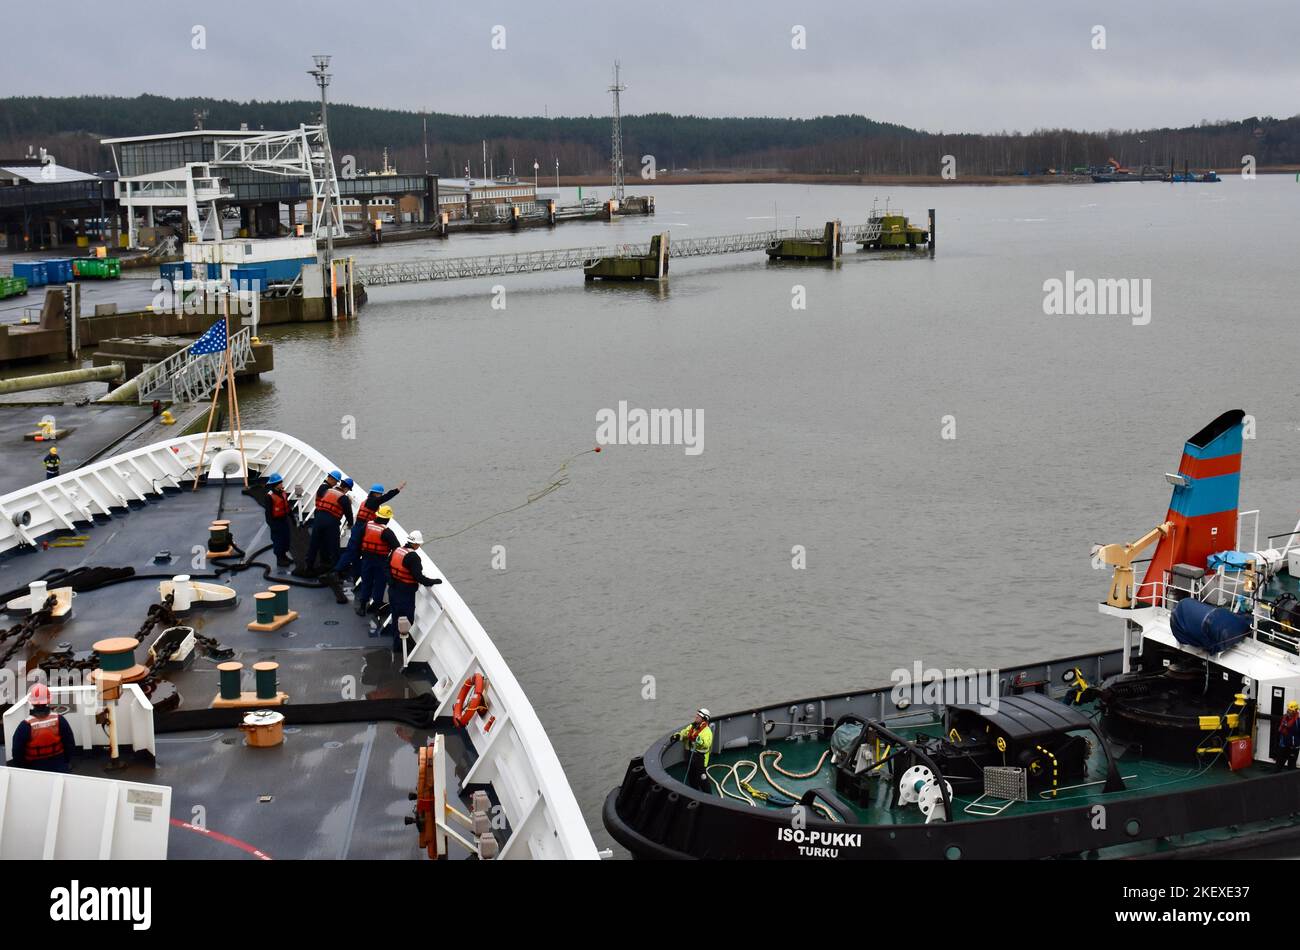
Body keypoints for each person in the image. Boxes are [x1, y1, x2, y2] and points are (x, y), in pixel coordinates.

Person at [334, 481, 406, 580]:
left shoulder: (366, 501)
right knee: (352, 552)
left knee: (356, 552)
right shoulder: (374, 502)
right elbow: (385, 498)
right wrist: (397, 490)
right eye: (380, 494)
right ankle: (337, 570)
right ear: (376, 493)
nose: (381, 496)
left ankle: (352, 573)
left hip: (360, 527)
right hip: (361, 529)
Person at [385, 530, 442, 645]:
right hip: (405, 593)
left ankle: (397, 640)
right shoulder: (413, 557)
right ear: (416, 544)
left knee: (396, 615)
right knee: (407, 619)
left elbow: (387, 567)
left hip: (393, 589)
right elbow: (419, 577)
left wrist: (391, 581)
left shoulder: (396, 550)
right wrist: (435, 581)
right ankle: (399, 645)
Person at [11, 683, 75, 772]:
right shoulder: (59, 720)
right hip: (59, 765)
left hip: (34, 769)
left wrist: (23, 769)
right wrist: (66, 762)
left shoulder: (25, 725)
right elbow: (69, 743)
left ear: (32, 703)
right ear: (48, 701)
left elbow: (17, 751)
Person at [305, 469, 353, 575]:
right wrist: (350, 523)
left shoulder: (329, 490)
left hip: (319, 518)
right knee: (334, 545)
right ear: (346, 488)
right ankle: (336, 571)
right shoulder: (343, 497)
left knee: (315, 543)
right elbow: (348, 514)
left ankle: (309, 566)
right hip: (331, 522)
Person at [354, 504, 398, 615]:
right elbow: (396, 548)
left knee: (366, 581)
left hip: (366, 558)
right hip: (381, 561)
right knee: (379, 583)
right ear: (387, 519)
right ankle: (377, 607)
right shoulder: (387, 532)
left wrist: (360, 554)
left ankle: (362, 607)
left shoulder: (367, 525)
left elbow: (358, 540)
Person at [667, 708, 714, 792]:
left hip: (700, 759)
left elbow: (707, 744)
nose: (696, 717)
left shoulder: (707, 732)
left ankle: (708, 796)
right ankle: (695, 793)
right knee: (691, 776)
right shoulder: (692, 727)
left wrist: (700, 741)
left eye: (698, 716)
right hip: (690, 756)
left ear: (704, 719)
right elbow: (684, 733)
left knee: (702, 778)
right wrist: (677, 736)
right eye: (697, 715)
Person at [263, 472, 293, 567]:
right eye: (280, 482)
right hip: (276, 521)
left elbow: (287, 506)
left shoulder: (282, 493)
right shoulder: (269, 496)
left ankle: (284, 556)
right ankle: (279, 559)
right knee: (278, 541)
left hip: (284, 519)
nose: (282, 484)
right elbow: (268, 512)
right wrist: (272, 525)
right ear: (275, 484)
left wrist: (292, 518)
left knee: (286, 539)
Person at [1277, 700, 1300, 771]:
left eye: (1291, 710)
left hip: (1293, 747)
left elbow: (1296, 732)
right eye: (1288, 709)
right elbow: (1281, 728)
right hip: (1284, 744)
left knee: (1291, 766)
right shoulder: (1285, 718)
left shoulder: (1298, 721)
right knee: (1279, 764)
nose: (1288, 711)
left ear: (1295, 711)